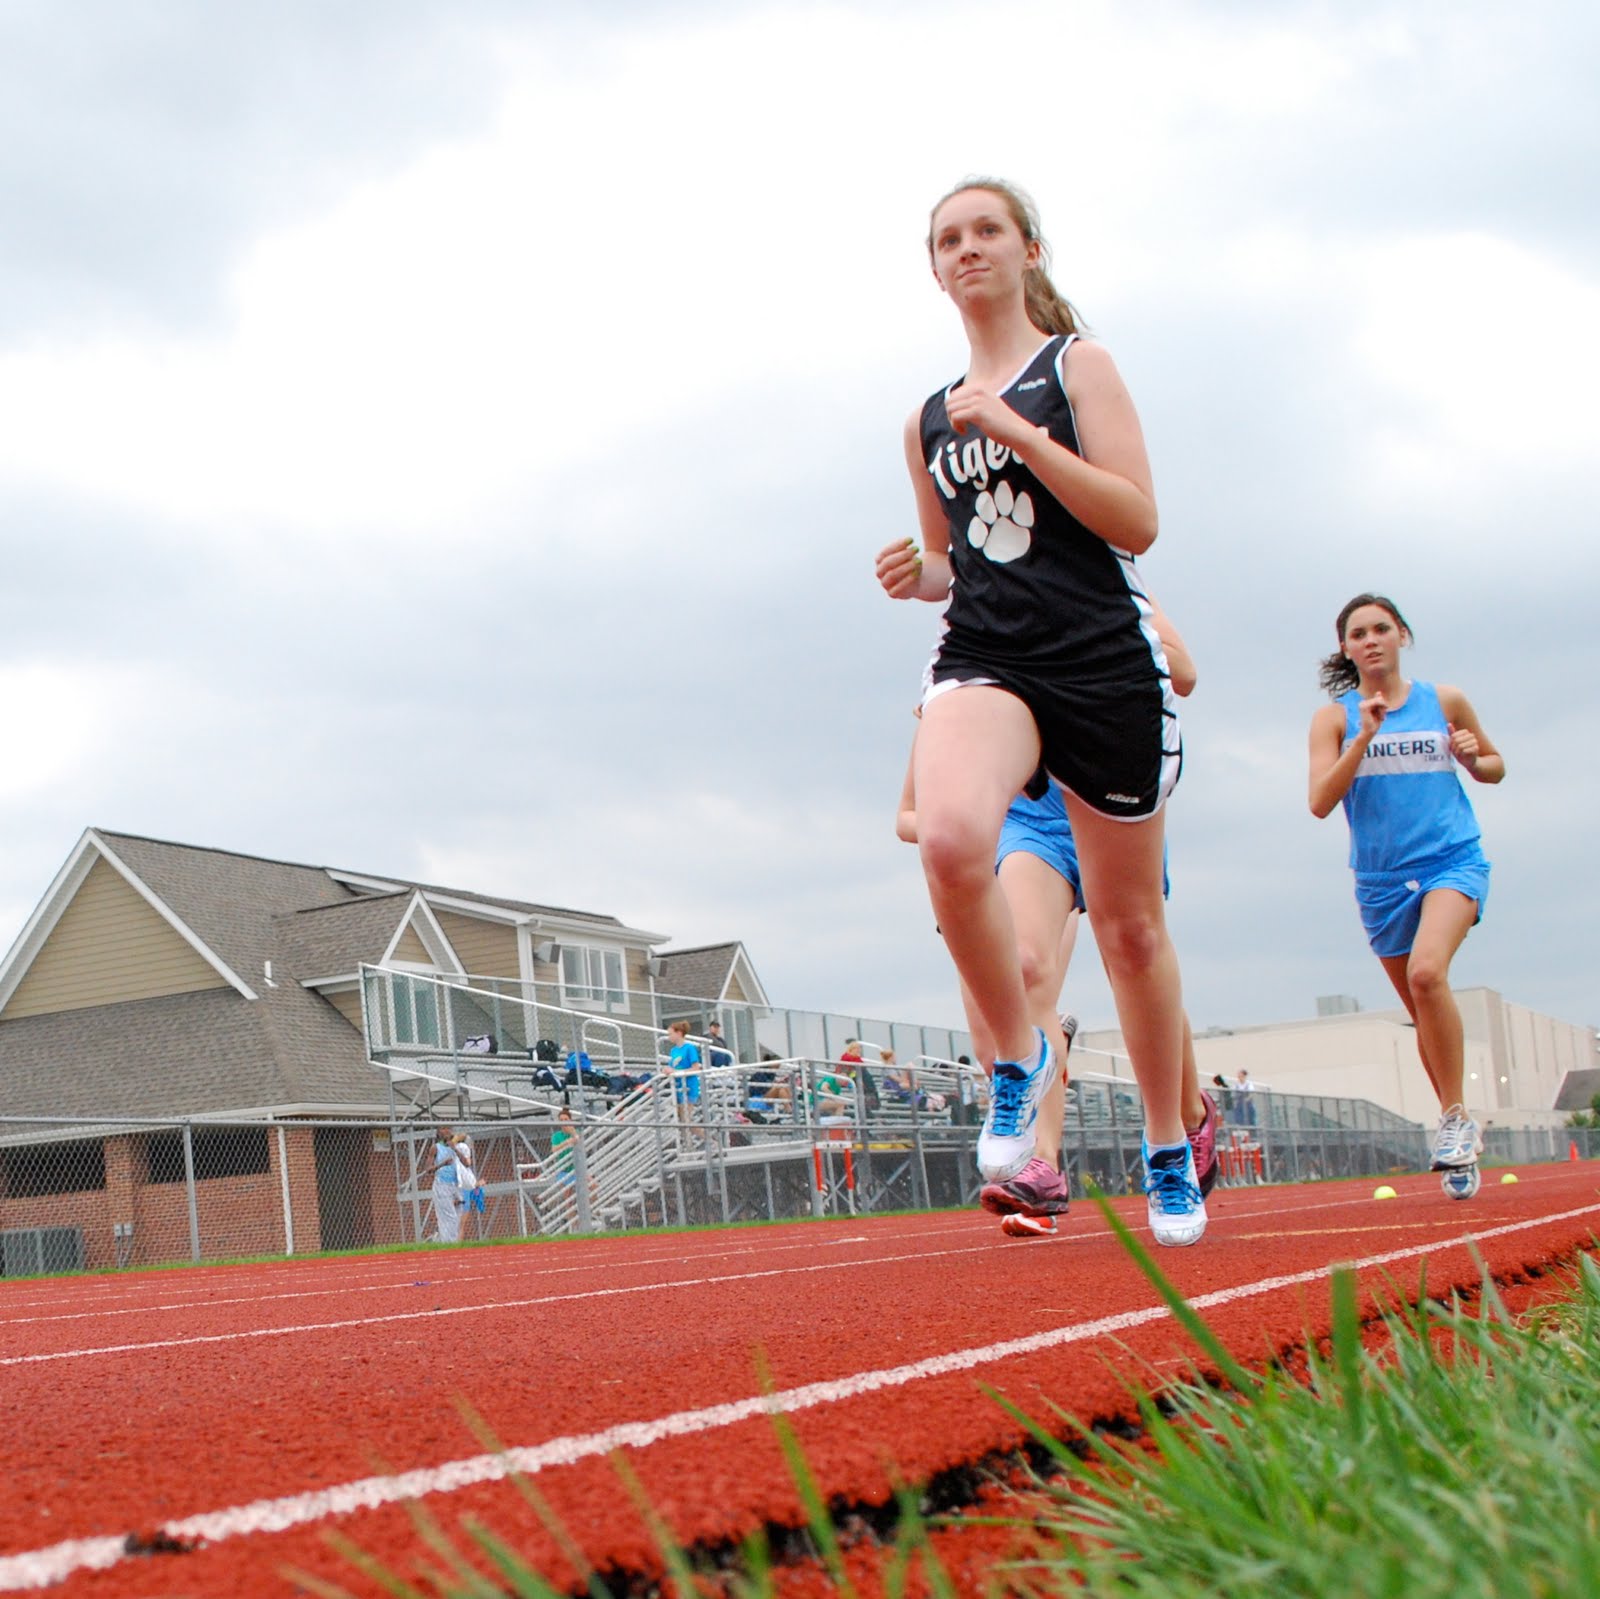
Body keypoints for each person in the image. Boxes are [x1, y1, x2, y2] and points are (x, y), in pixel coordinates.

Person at [875, 177, 1202, 1247]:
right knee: (953, 836)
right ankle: (1017, 1058)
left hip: (1099, 654)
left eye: (985, 232)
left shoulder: (1075, 368)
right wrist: (910, 568)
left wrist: (1018, 431)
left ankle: (1166, 1144)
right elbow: (951, 564)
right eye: (947, 239)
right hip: (990, 651)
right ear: (932, 267)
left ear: (1027, 250)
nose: (966, 250)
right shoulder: (926, 417)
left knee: (1128, 928)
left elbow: (1136, 520)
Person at [1308, 592, 1505, 1200]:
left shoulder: (1443, 701)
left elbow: (1496, 765)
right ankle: (1460, 1121)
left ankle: (1451, 1121)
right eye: (1358, 633)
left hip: (1451, 861)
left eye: (1381, 629)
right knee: (1424, 1010)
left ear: (1401, 636)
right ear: (1346, 648)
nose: (1371, 640)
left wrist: (1475, 759)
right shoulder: (1335, 719)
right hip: (1380, 879)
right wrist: (1363, 737)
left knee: (1427, 975)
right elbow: (1319, 802)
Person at [418, 1125, 462, 1243]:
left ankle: (440, 1239)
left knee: (458, 1214)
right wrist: (442, 1164)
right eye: (443, 1128)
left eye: (448, 1128)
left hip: (456, 1184)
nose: (446, 1130)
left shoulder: (457, 1146)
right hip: (442, 1184)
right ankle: (450, 1243)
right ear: (438, 1132)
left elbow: (466, 1162)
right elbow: (428, 1169)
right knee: (448, 1216)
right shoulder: (435, 1148)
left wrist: (455, 1148)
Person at [665, 1021, 703, 1139]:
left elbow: (696, 1068)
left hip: (689, 1087)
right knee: (681, 1120)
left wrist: (677, 1072)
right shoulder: (673, 1051)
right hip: (677, 1088)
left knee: (687, 1120)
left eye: (671, 1034)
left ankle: (711, 1143)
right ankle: (686, 1144)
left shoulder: (689, 1048)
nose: (669, 1037)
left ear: (679, 1033)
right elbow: (673, 1066)